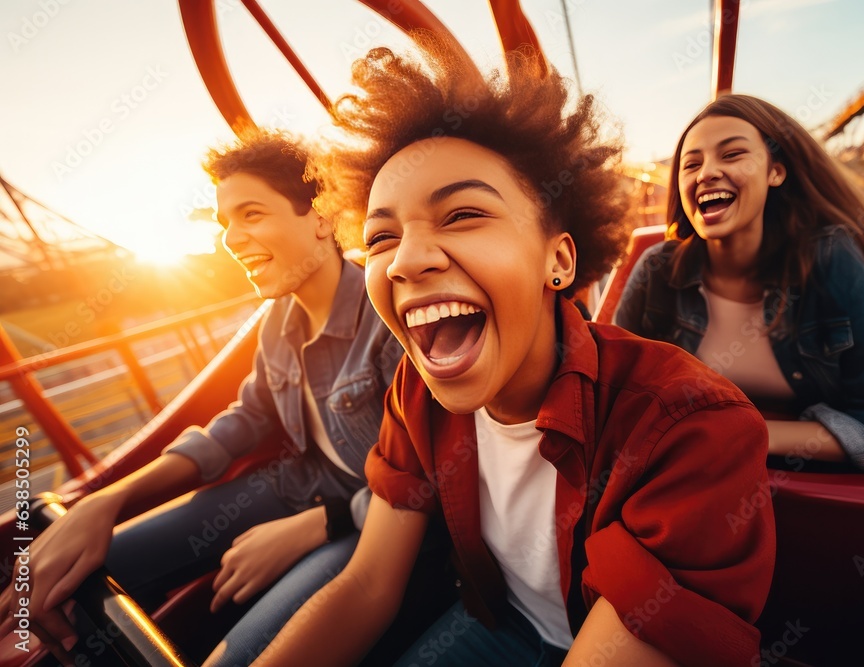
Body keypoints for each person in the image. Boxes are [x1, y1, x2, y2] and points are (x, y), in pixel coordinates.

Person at [251, 36, 775, 667]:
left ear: (558, 260)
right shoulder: (415, 391)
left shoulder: (688, 426)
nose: (406, 260)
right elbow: (366, 586)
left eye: (462, 215)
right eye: (381, 237)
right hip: (497, 625)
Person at [0, 129, 403, 666]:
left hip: (372, 522)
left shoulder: (388, 319)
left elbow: (429, 480)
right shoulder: (278, 321)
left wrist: (324, 521)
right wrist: (106, 500)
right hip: (296, 485)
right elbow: (244, 420)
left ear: (322, 217)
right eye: (224, 222)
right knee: (74, 577)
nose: (230, 238)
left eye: (251, 214)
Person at [614, 94, 864, 474]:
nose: (707, 173)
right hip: (685, 478)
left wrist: (743, 433)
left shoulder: (828, 259)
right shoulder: (657, 270)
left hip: (799, 484)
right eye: (692, 164)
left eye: (732, 154)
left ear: (776, 172)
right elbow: (610, 398)